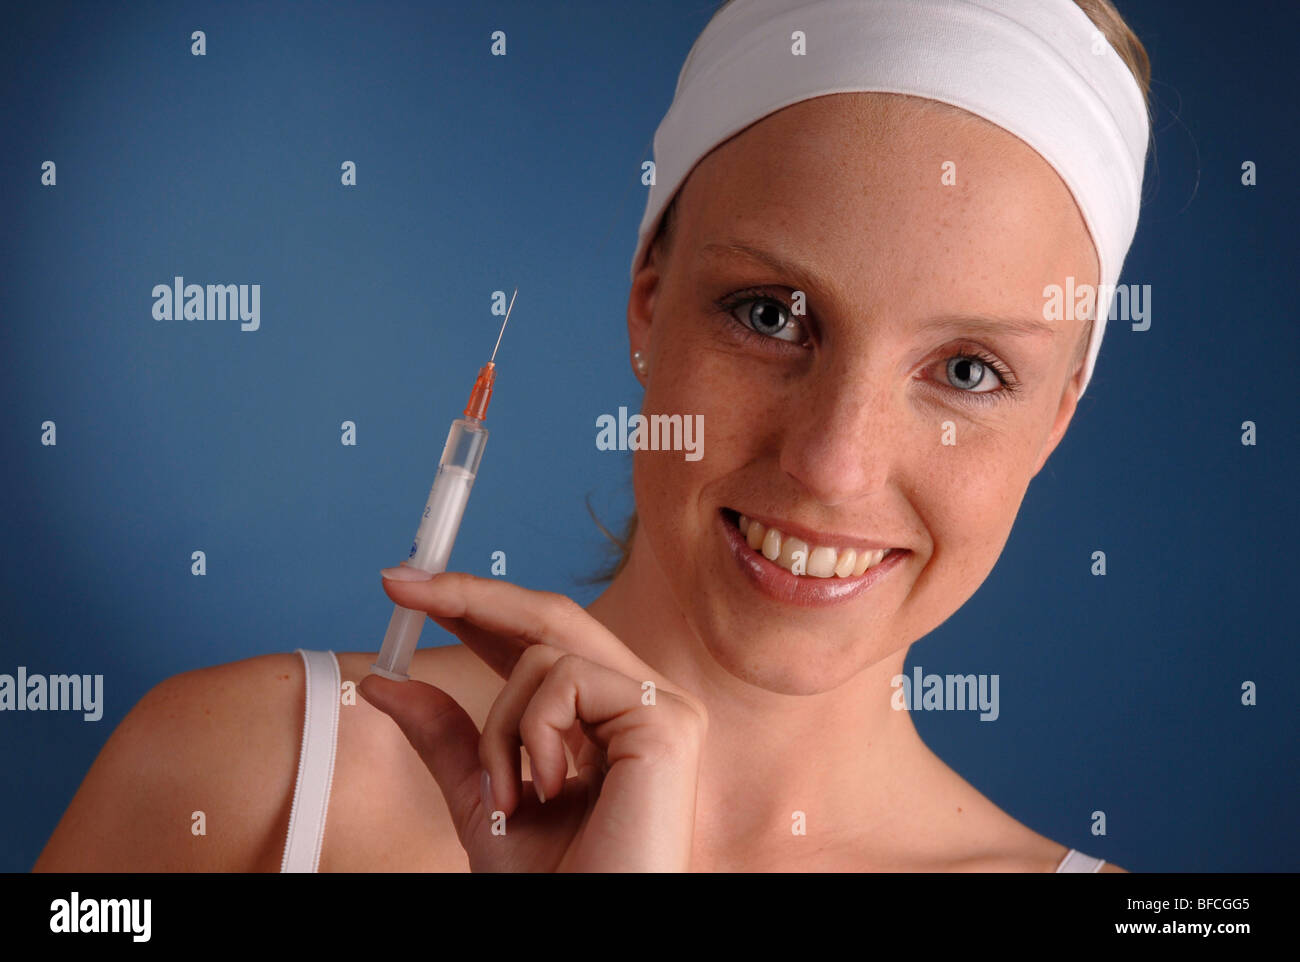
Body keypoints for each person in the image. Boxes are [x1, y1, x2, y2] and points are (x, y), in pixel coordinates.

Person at [35, 0, 1150, 872]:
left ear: (1057, 416)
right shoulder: (241, 778)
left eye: (966, 371)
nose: (832, 462)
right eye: (769, 315)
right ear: (646, 304)